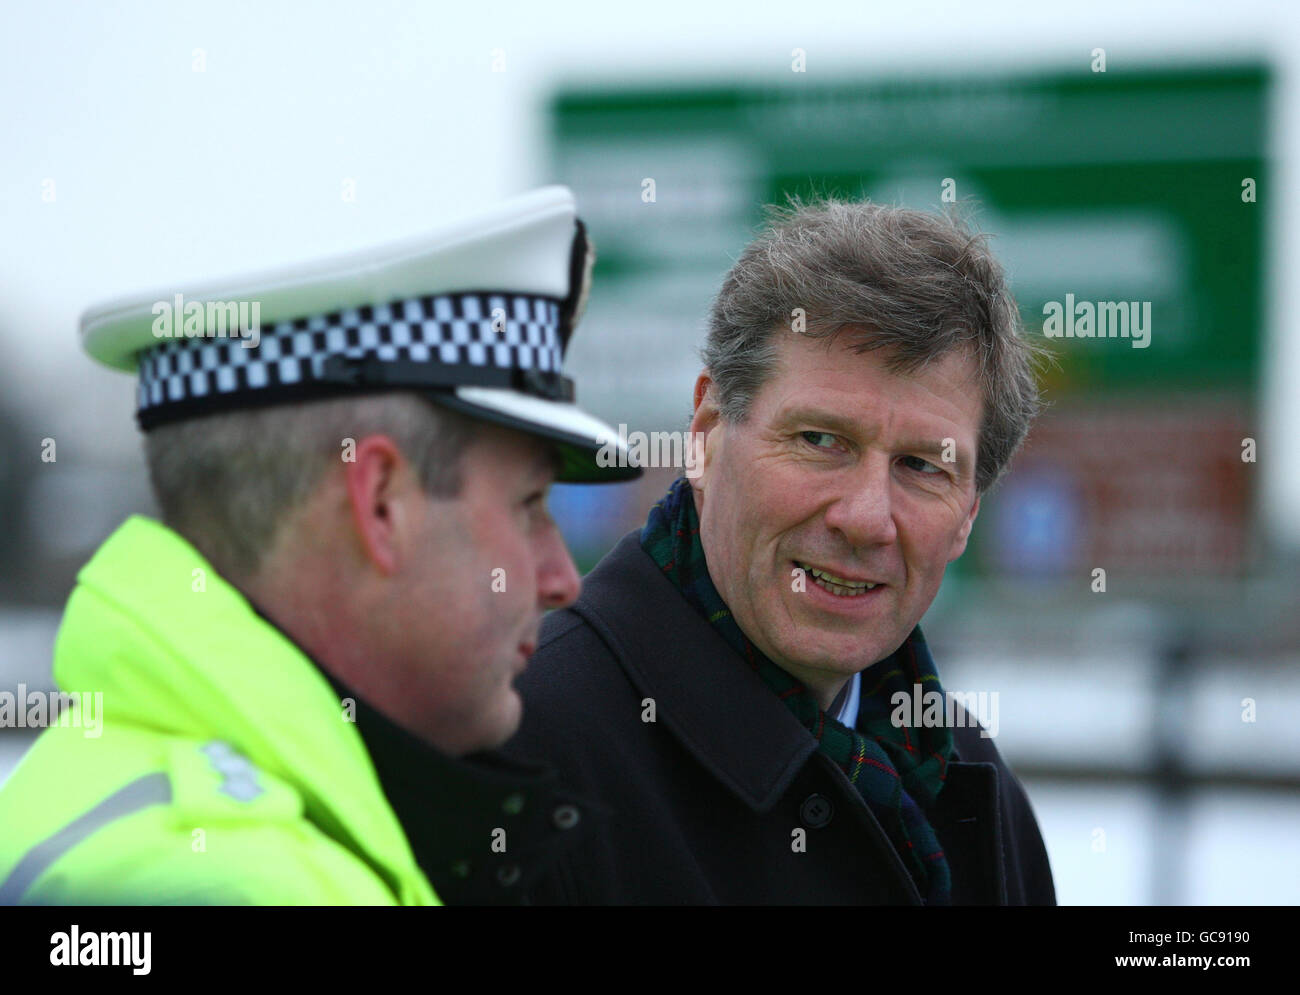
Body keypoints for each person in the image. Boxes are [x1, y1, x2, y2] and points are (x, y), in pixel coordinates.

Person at [0, 186, 638, 905]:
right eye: (528, 506)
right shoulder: (247, 885)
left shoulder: (97, 791)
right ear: (380, 502)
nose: (560, 579)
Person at [505, 197, 1056, 904]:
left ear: (968, 513)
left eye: (922, 466)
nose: (866, 520)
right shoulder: (530, 758)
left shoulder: (976, 791)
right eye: (820, 440)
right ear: (704, 434)